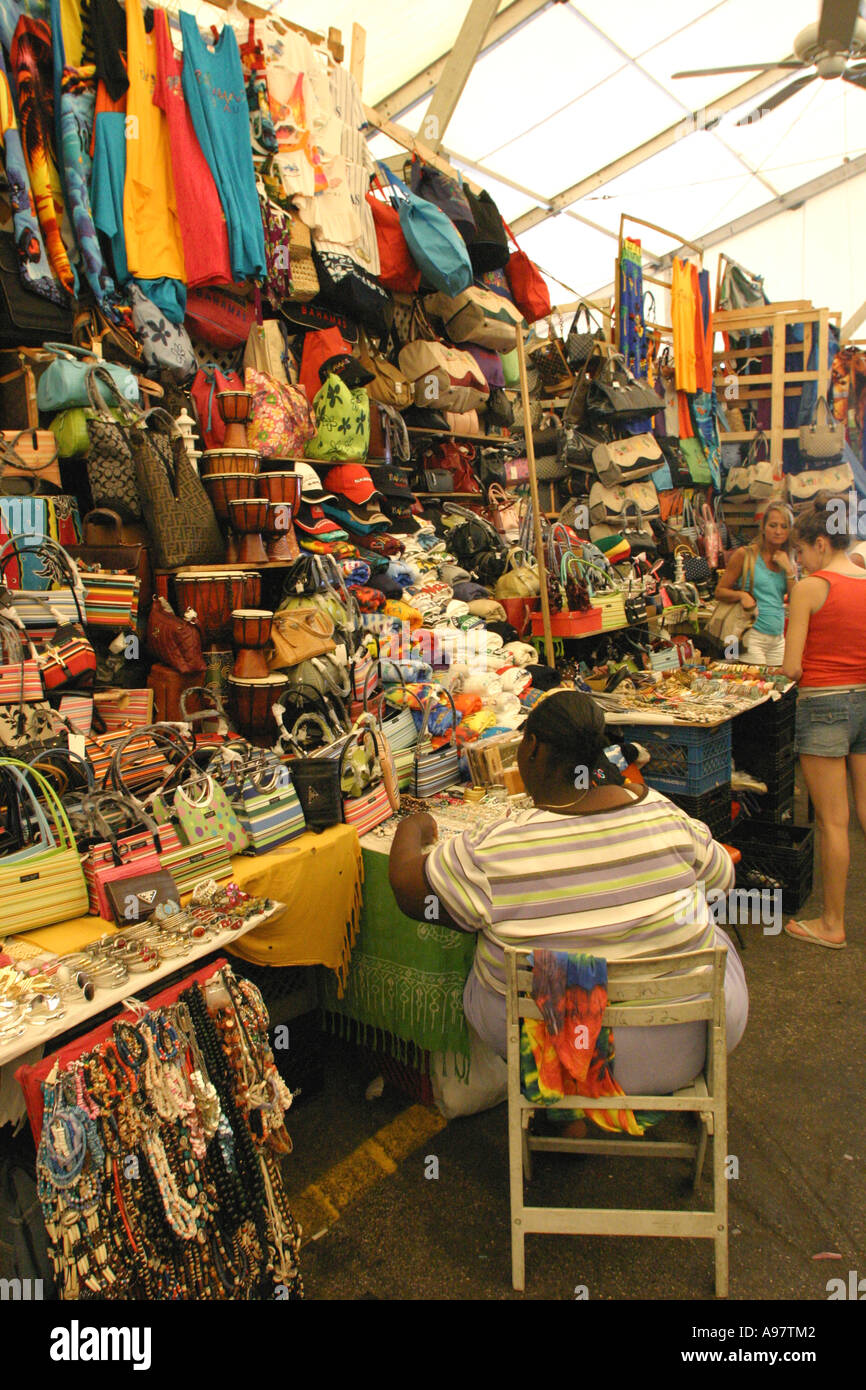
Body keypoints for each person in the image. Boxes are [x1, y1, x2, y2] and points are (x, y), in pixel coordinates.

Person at [388, 690, 748, 1097]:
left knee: (486, 950)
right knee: (710, 932)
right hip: (680, 1050)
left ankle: (567, 1096)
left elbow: (407, 890)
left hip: (545, 1050)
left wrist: (412, 826)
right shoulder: (665, 816)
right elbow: (721, 883)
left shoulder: (495, 848)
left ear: (534, 749)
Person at [782, 497, 866, 948]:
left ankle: (832, 924)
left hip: (825, 705)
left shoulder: (812, 588)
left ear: (820, 543)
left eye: (802, 552)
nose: (799, 561)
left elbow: (792, 667)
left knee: (834, 822)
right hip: (865, 700)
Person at [714, 501, 795, 665]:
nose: (778, 531)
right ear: (763, 527)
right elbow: (720, 591)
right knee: (754, 684)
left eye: (784, 526)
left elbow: (795, 599)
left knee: (777, 686)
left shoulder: (788, 560)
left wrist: (789, 570)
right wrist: (741, 595)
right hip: (750, 635)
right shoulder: (745, 554)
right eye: (773, 525)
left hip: (777, 637)